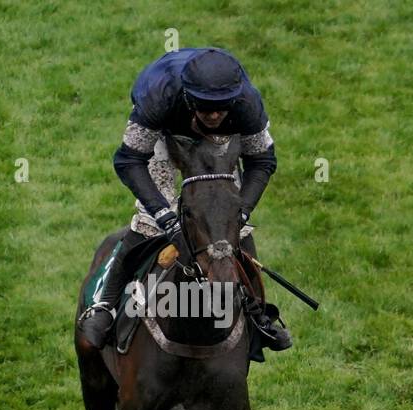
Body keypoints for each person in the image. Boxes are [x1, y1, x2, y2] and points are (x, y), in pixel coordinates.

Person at [77, 47, 290, 353]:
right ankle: (104, 306)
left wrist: (240, 213)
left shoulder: (246, 103)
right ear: (189, 98)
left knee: (231, 229)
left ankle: (258, 317)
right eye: (205, 107)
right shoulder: (158, 96)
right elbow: (128, 160)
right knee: (150, 224)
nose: (214, 114)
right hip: (167, 135)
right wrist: (163, 214)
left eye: (221, 107)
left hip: (222, 143)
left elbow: (262, 162)